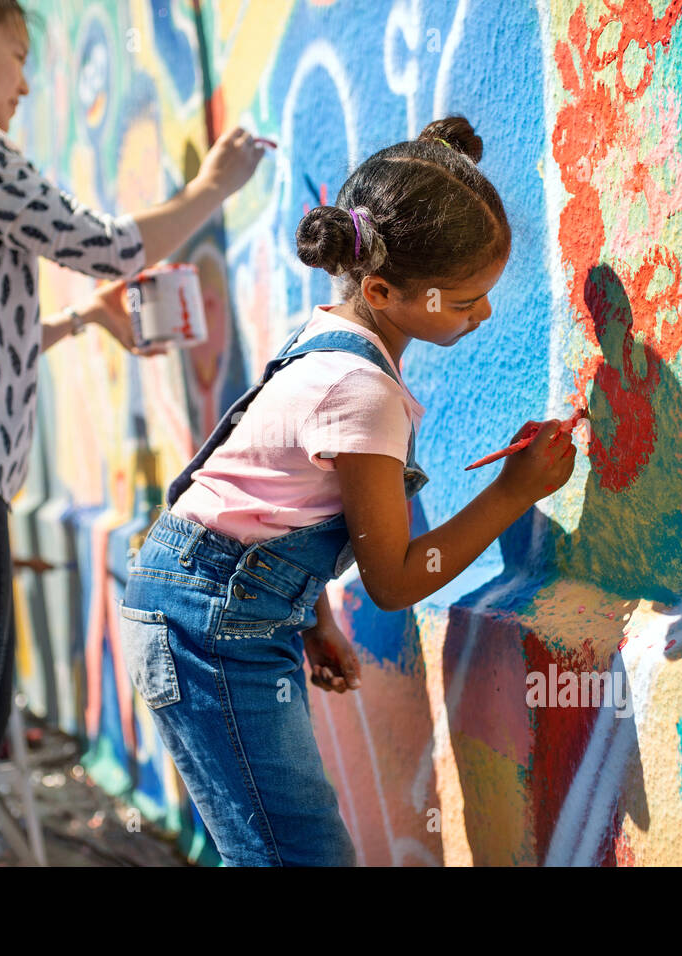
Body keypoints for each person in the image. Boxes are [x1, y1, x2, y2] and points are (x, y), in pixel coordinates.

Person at [0, 0, 266, 866]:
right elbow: (104, 244)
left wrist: (76, 326)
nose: (27, 82)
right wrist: (214, 189)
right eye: (16, 54)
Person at [119, 116, 579, 866]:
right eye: (463, 301)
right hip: (208, 629)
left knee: (283, 847)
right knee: (294, 855)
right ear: (382, 288)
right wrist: (512, 493)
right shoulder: (362, 391)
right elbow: (396, 580)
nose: (482, 313)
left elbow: (265, 496)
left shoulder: (326, 339)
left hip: (206, 608)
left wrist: (310, 614)